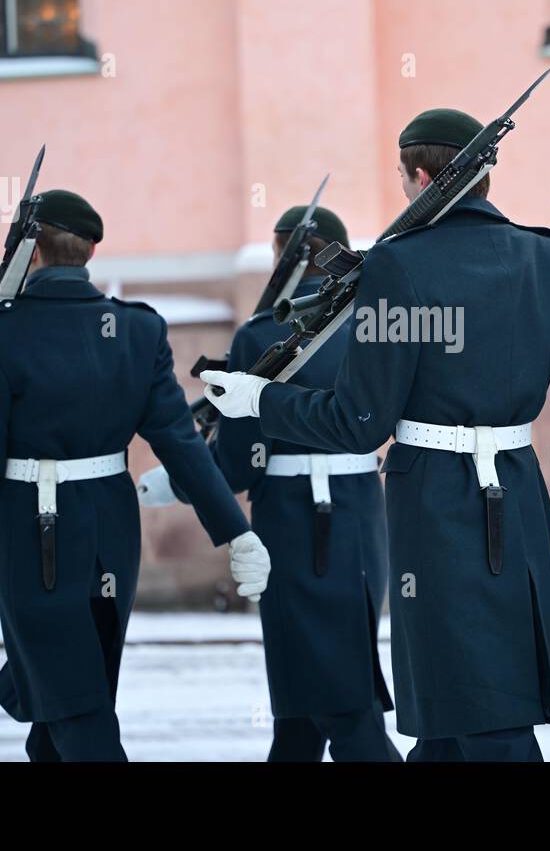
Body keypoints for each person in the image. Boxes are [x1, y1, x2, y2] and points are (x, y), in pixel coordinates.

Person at [200, 109, 550, 762]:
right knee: (457, 719)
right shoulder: (548, 260)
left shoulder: (397, 267)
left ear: (423, 175)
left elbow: (357, 423)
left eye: (402, 176)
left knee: (485, 717)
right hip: (519, 492)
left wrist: (261, 399)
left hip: (434, 504)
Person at [0, 190, 270, 762]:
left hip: (35, 537)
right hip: (113, 534)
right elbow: (181, 443)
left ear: (31, 251)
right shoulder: (138, 331)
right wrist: (234, 530)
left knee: (76, 712)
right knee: (63, 707)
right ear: (92, 249)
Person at [141, 206, 400, 762]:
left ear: (284, 254)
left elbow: (239, 463)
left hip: (294, 522)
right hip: (362, 518)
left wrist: (182, 481)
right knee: (304, 705)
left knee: (336, 698)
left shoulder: (259, 334)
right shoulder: (372, 324)